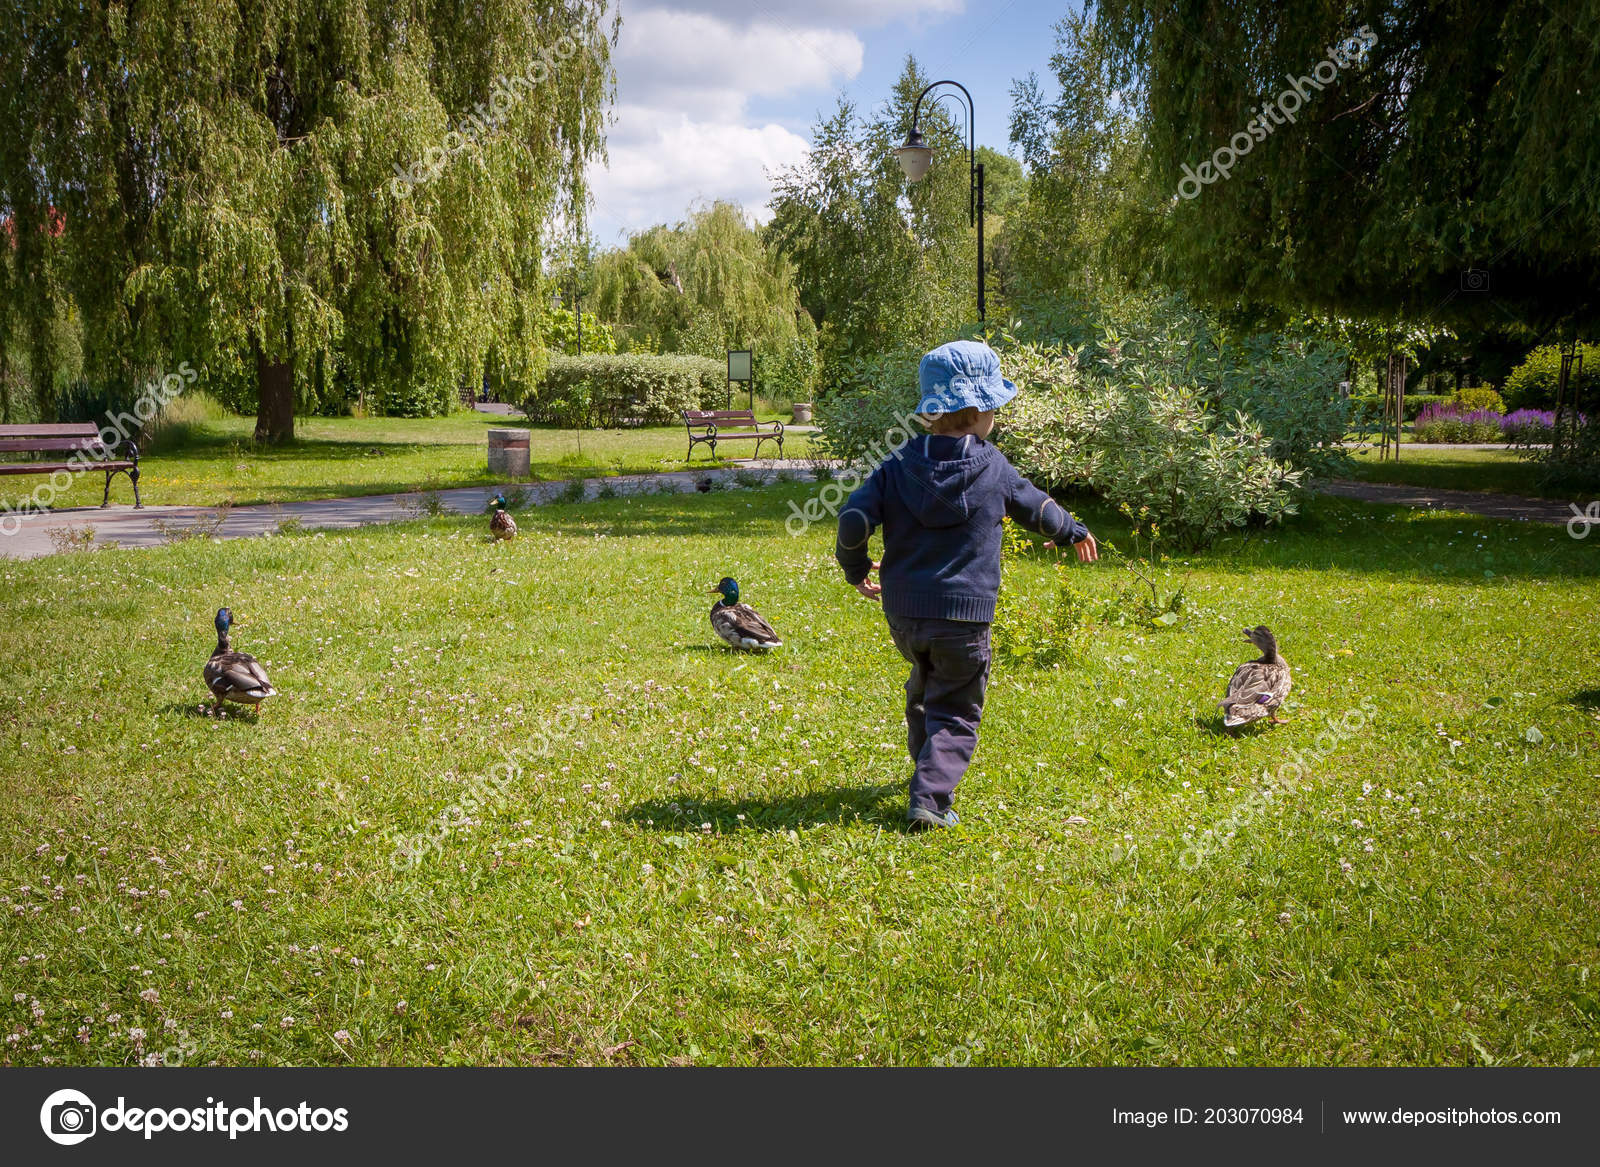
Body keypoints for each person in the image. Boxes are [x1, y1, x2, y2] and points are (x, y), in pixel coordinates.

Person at [835, 340, 1099, 830]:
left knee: (925, 683)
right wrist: (1072, 531)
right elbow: (1037, 508)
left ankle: (925, 766)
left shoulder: (894, 465)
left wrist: (856, 569)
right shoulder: (993, 466)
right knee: (957, 706)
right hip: (964, 614)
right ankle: (930, 801)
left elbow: (852, 519)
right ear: (978, 411)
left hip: (905, 613)